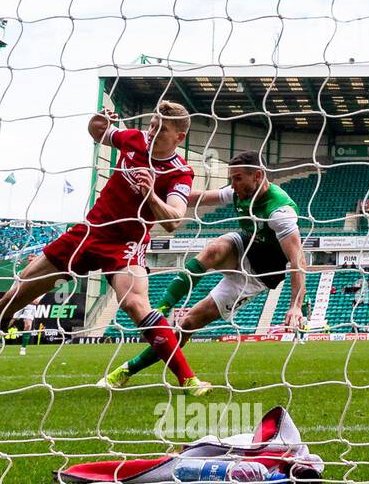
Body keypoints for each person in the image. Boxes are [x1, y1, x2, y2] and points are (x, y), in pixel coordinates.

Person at [0, 102, 199, 394]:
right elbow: (98, 132)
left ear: (179, 137)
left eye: (162, 129)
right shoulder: (133, 138)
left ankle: (188, 379)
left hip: (126, 243)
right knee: (12, 297)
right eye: (153, 124)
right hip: (87, 233)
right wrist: (99, 120)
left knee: (135, 304)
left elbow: (174, 219)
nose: (153, 131)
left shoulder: (179, 172)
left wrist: (151, 196)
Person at [102, 150, 307, 388]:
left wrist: (295, 306)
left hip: (258, 273)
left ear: (258, 176)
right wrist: (163, 192)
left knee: (187, 324)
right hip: (243, 246)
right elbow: (199, 198)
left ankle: (127, 369)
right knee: (213, 249)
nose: (233, 184)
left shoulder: (280, 212)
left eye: (238, 178)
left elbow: (297, 261)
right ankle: (161, 308)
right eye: (232, 178)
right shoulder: (238, 191)